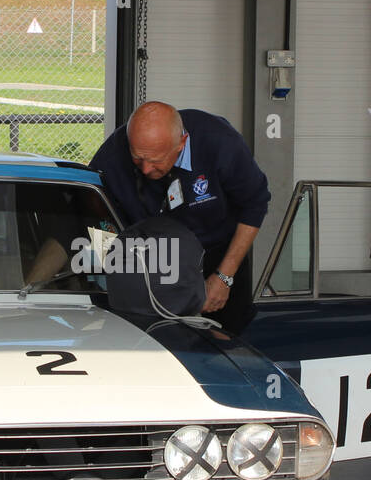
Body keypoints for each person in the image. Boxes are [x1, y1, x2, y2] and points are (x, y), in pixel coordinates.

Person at [89, 102, 270, 334]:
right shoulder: (112, 156)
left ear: (181, 143)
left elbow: (255, 204)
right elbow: (91, 216)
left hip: (218, 254)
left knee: (225, 339)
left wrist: (224, 277)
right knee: (152, 339)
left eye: (155, 161)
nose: (145, 170)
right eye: (137, 159)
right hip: (151, 261)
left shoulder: (219, 142)